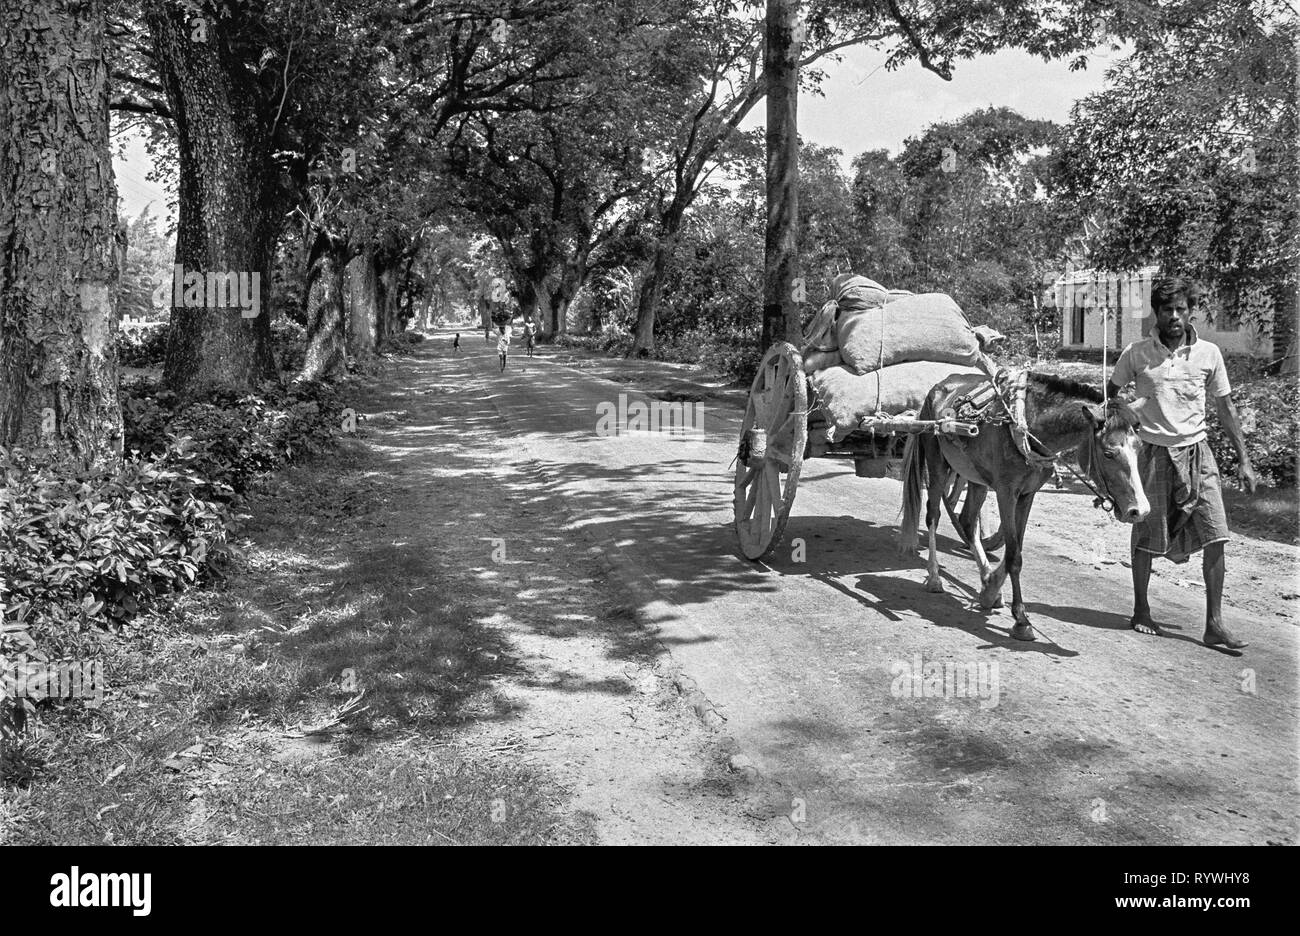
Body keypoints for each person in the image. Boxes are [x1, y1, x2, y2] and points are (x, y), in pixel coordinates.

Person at [1106, 275, 1258, 650]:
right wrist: (1124, 423)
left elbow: (1225, 407)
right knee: (1146, 534)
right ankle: (1141, 610)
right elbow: (1111, 396)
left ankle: (1214, 624)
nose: (1174, 316)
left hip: (1197, 453)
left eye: (1181, 308)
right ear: (1156, 314)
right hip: (1152, 455)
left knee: (1216, 533)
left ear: (1191, 312)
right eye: (1167, 309)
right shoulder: (1137, 353)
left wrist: (1244, 459)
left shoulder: (1209, 354)